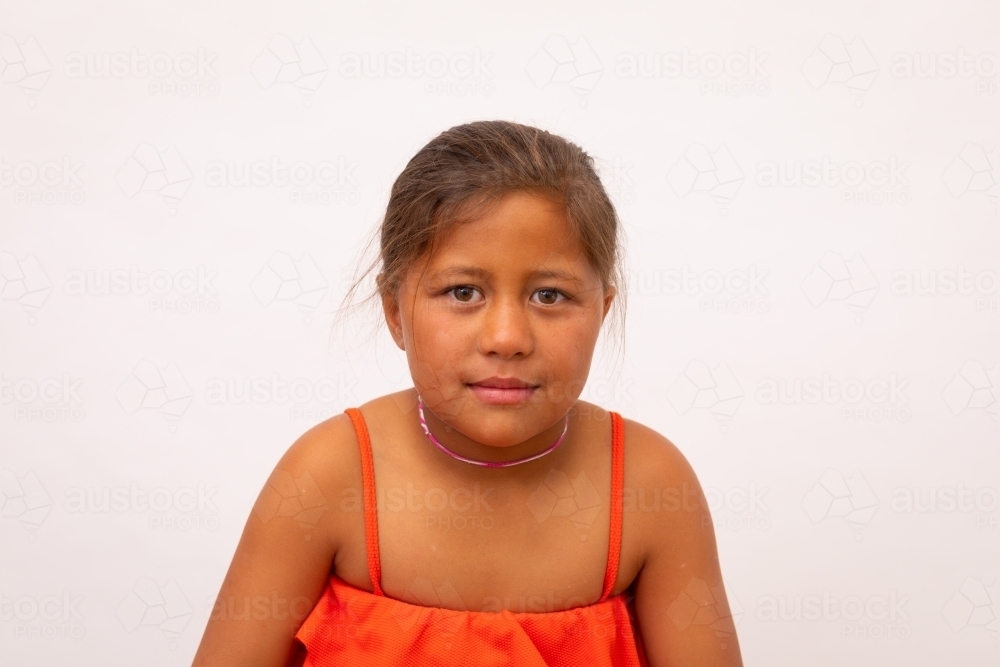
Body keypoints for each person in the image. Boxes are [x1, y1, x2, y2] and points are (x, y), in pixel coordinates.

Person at [191, 120, 743, 666]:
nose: (507, 338)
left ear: (603, 310)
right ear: (394, 312)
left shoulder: (649, 486)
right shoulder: (328, 476)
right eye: (463, 292)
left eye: (549, 295)